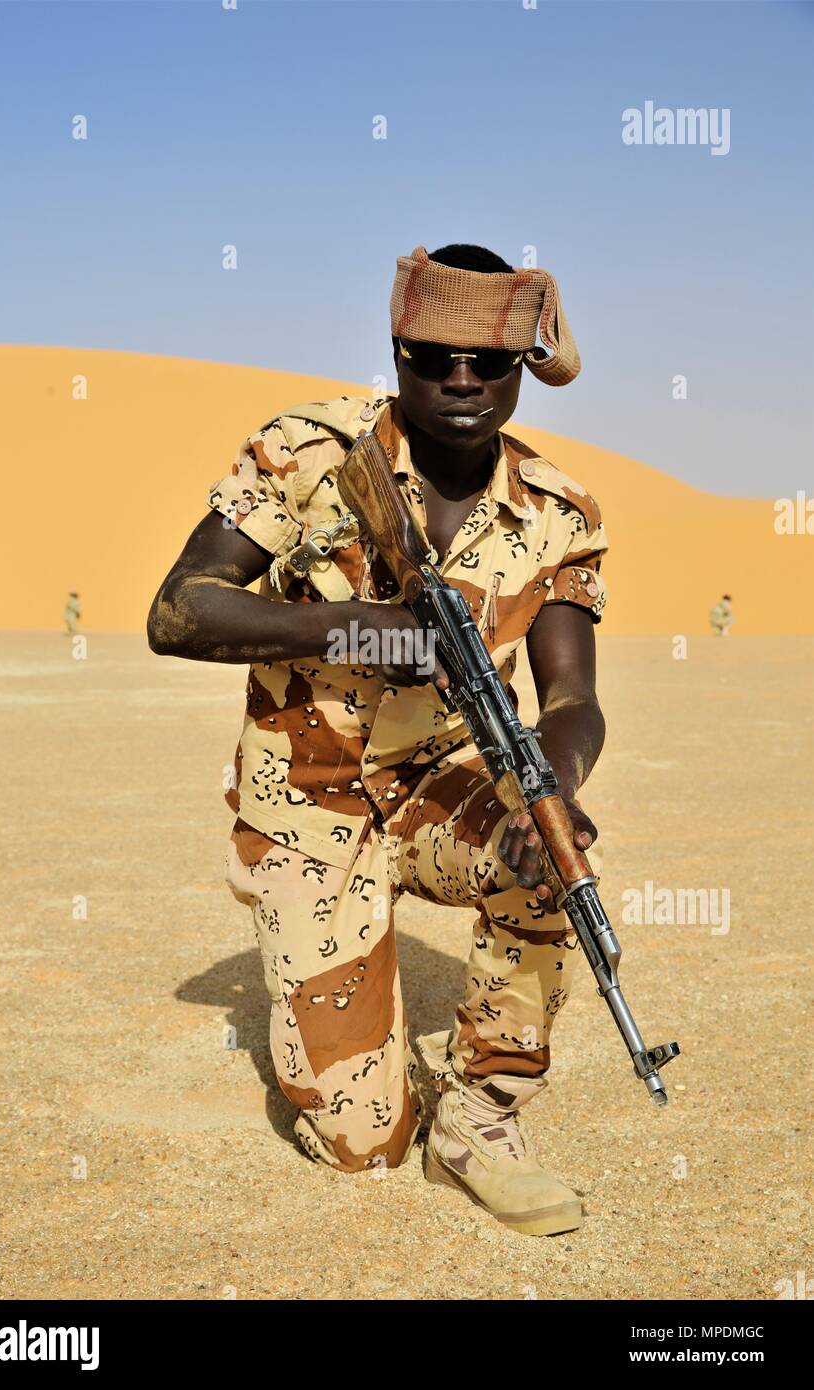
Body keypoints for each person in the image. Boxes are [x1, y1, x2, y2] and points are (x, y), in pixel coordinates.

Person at [148, 244, 608, 1236]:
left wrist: (552, 786)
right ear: (394, 349)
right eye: (430, 355)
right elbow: (177, 612)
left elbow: (572, 697)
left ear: (520, 369)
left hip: (437, 788)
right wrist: (350, 627)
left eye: (486, 363)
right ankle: (364, 1060)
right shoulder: (308, 451)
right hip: (306, 806)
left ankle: (480, 1120)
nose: (459, 380)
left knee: (550, 856)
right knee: (364, 1146)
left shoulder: (558, 513)